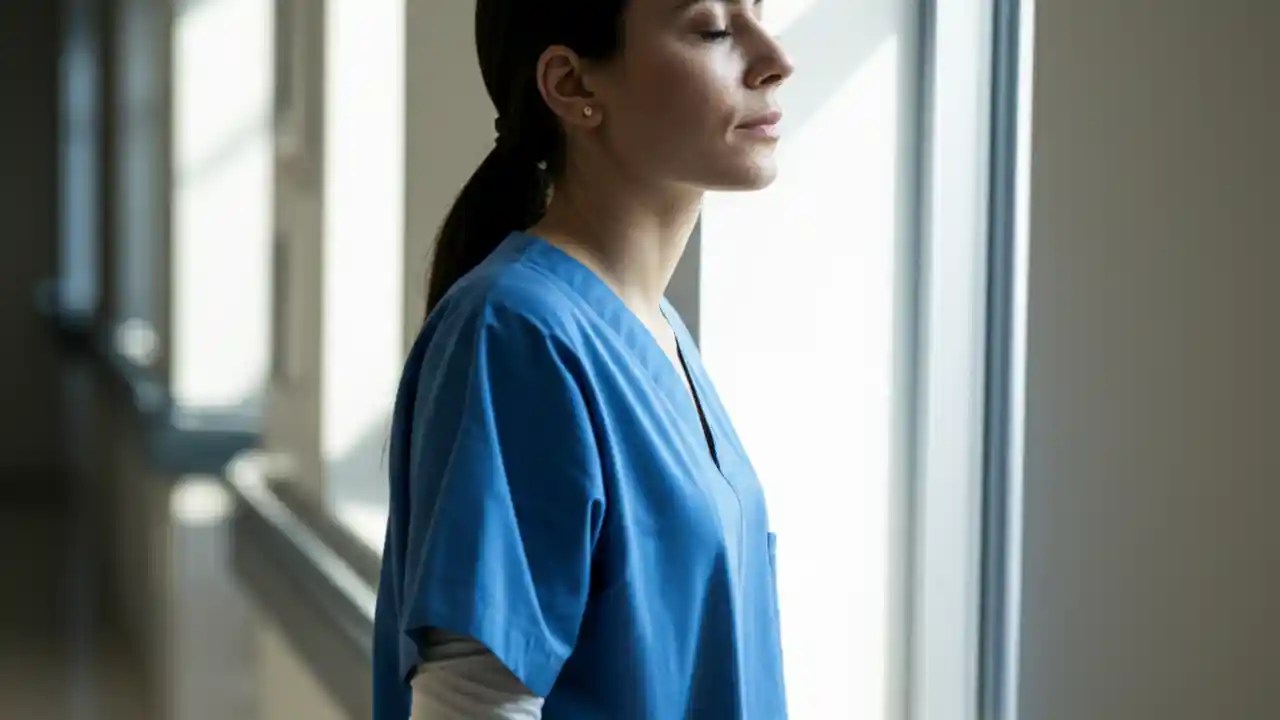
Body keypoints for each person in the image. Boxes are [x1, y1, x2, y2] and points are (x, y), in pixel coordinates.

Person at [373, 0, 795, 717]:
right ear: (572, 86)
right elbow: (474, 703)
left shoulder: (656, 330)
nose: (774, 61)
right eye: (714, 30)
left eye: (759, 12)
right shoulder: (516, 332)